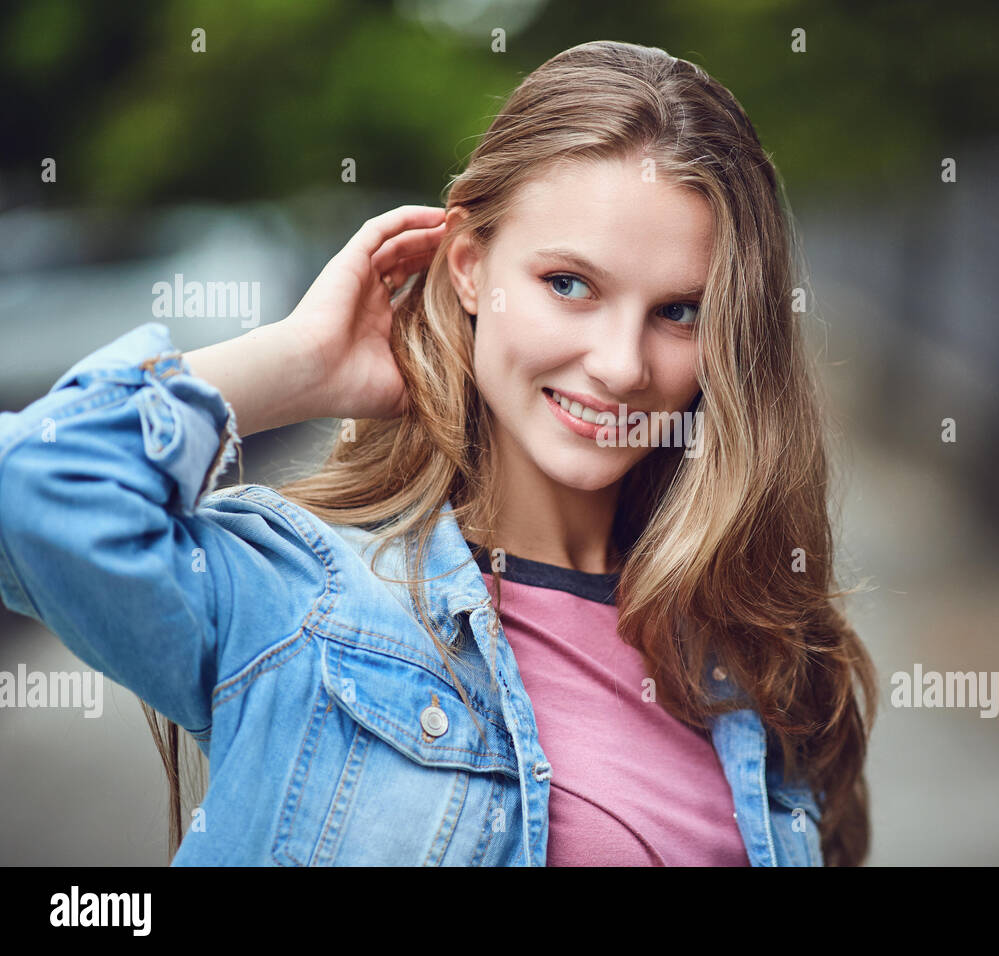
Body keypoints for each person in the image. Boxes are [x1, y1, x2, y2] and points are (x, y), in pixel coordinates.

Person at [0, 40, 878, 866]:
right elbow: (33, 488)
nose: (621, 366)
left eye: (678, 312)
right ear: (467, 267)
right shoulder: (306, 601)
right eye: (568, 284)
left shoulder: (758, 655)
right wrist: (300, 364)